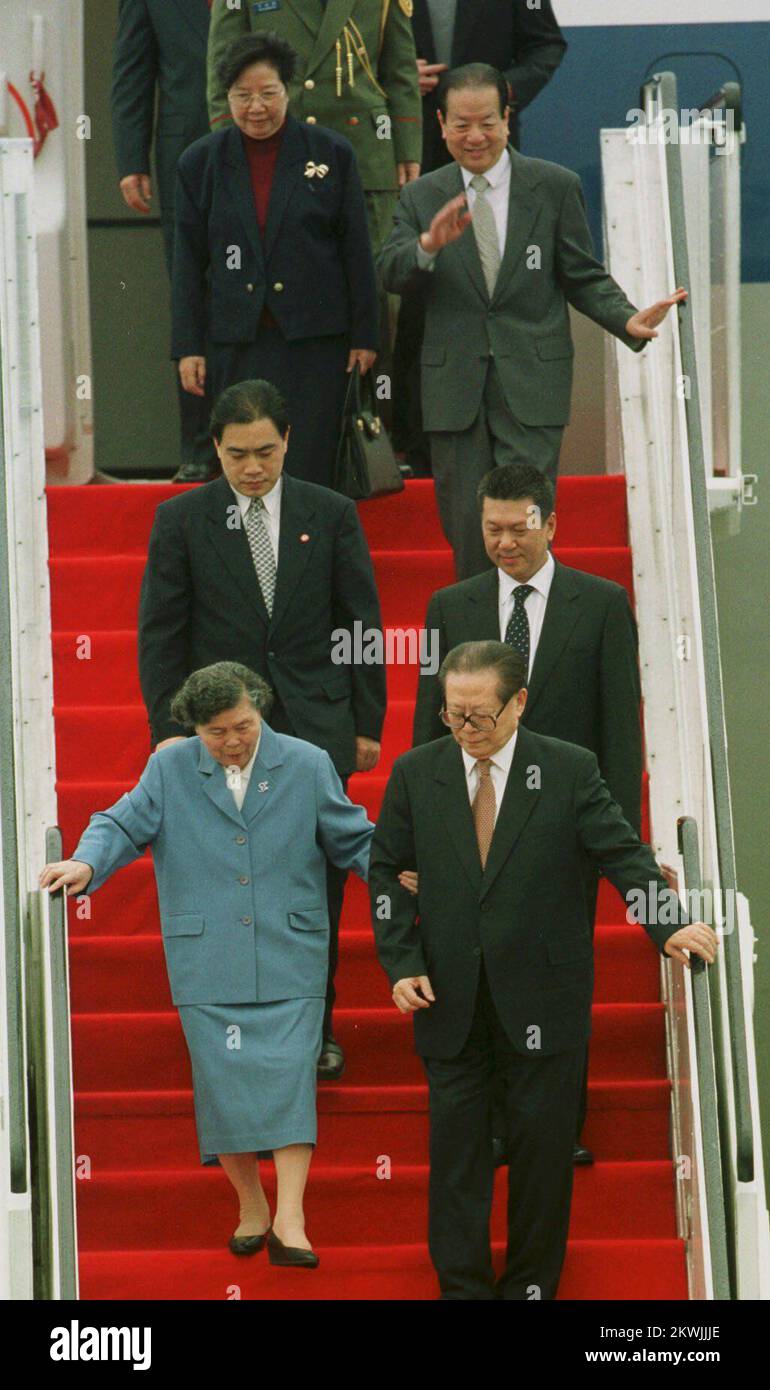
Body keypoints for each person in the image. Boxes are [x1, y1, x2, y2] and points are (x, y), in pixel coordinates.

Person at [370, 641, 718, 1300]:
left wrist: (668, 924)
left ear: (519, 703)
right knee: (457, 1162)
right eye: (453, 716)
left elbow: (624, 856)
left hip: (543, 998)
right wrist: (401, 960)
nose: (466, 731)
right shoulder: (418, 773)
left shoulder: (567, 769)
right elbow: (385, 871)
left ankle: (531, 1287)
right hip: (448, 998)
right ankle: (464, 1291)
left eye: (481, 717)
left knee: (541, 1160)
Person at [40, 663, 375, 1267]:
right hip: (207, 957)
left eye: (242, 726)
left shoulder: (305, 762)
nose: (231, 741)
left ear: (261, 709)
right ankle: (252, 1204)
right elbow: (119, 823)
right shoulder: (170, 767)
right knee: (223, 1086)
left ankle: (291, 1216)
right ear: (193, 728)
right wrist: (86, 865)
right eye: (214, 732)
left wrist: (411, 878)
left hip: (290, 950)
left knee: (290, 1080)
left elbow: (353, 839)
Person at [138, 378, 387, 1080]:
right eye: (238, 453)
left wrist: (366, 719)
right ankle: (235, 1039)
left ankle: (315, 1032)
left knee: (316, 889)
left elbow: (360, 624)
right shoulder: (181, 521)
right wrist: (169, 727)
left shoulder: (330, 512)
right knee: (232, 888)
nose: (253, 467)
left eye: (267, 452)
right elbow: (161, 634)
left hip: (315, 726)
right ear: (213, 447)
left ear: (288, 443)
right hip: (221, 732)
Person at [412, 462, 643, 1164]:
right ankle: (487, 1123)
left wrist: (619, 838)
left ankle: (553, 1127)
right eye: (492, 529)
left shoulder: (601, 603)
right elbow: (430, 731)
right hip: (472, 825)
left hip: (563, 828)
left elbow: (619, 733)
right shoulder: (450, 606)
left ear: (551, 522)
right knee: (476, 972)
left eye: (519, 528)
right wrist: (424, 837)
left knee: (557, 976)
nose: (505, 542)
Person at [378, 62, 688, 578]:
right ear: (441, 125)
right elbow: (389, 272)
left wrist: (626, 319)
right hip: (454, 389)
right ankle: (481, 648)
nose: (474, 137)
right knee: (468, 527)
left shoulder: (554, 186)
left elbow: (581, 274)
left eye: (486, 123)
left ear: (507, 118)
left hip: (532, 383)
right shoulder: (420, 196)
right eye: (461, 124)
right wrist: (428, 245)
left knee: (523, 522)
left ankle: (529, 641)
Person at [172, 32, 379, 489]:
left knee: (310, 464)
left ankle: (310, 557)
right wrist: (188, 345)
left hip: (315, 341)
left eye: (268, 93)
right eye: (242, 96)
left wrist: (365, 334)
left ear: (289, 89)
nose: (256, 107)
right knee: (247, 467)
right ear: (226, 98)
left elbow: (356, 252)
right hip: (236, 341)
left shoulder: (330, 154)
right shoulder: (199, 162)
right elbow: (187, 262)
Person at [394, 1, 567, 471]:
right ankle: (416, 440)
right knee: (416, 292)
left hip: (488, 157)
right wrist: (396, 75)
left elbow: (547, 45)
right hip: (408, 148)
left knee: (495, 287)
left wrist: (497, 93)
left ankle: (506, 427)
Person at [206, 1, 423, 255]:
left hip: (365, 151)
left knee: (375, 277)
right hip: (281, 148)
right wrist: (233, 149)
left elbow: (399, 70)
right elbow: (223, 77)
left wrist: (407, 145)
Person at [112, 0, 218, 483]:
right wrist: (132, 156)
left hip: (267, 147)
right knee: (191, 295)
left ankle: (276, 440)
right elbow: (134, 69)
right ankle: (199, 446)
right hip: (186, 157)